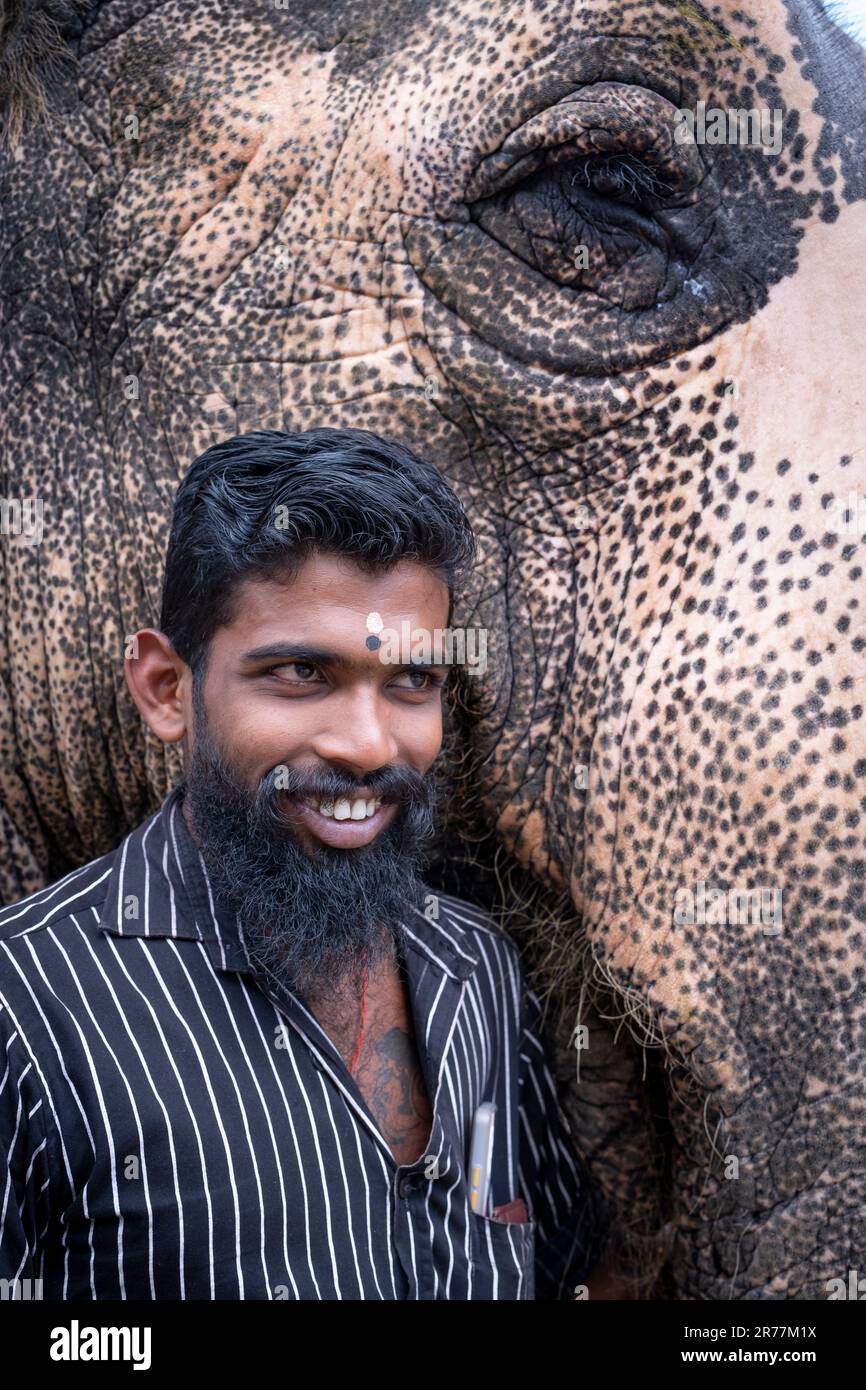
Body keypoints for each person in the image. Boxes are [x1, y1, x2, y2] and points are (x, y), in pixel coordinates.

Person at [0, 427, 604, 1300]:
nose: (368, 745)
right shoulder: (28, 1012)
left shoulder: (476, 968)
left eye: (412, 683)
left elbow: (550, 1264)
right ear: (168, 690)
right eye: (299, 674)